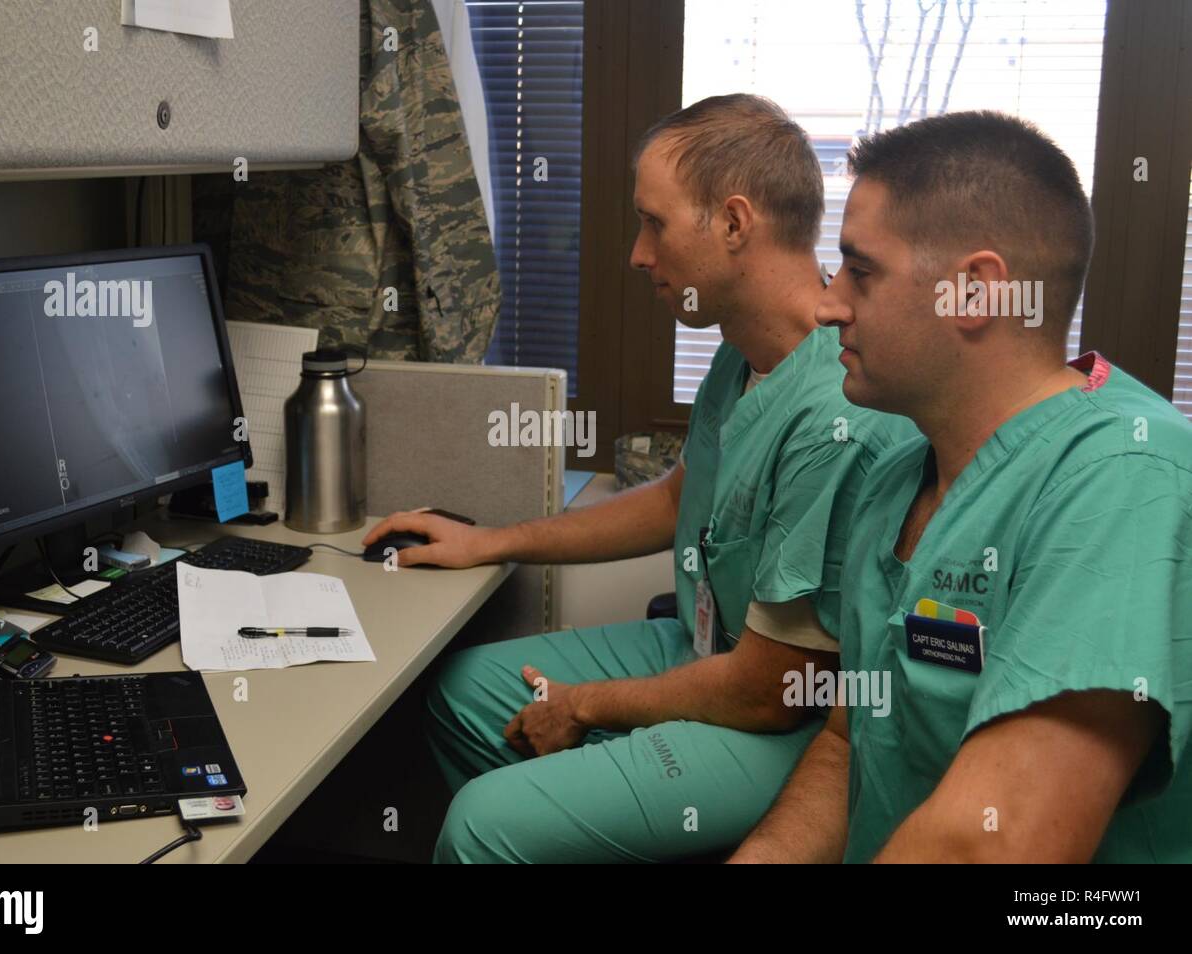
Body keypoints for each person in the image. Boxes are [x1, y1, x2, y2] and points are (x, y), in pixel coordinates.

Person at [366, 94, 914, 863]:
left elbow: (768, 690)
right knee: (461, 694)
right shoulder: (742, 354)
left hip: (776, 719)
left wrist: (584, 706)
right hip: (702, 652)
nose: (637, 254)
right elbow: (676, 498)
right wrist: (490, 542)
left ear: (733, 223)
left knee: (483, 825)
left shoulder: (836, 411)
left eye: (654, 223)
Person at [730, 111, 1192, 864]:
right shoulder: (894, 474)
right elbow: (853, 741)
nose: (826, 304)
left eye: (862, 271)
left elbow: (1001, 843)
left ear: (975, 294)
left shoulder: (1127, 482)